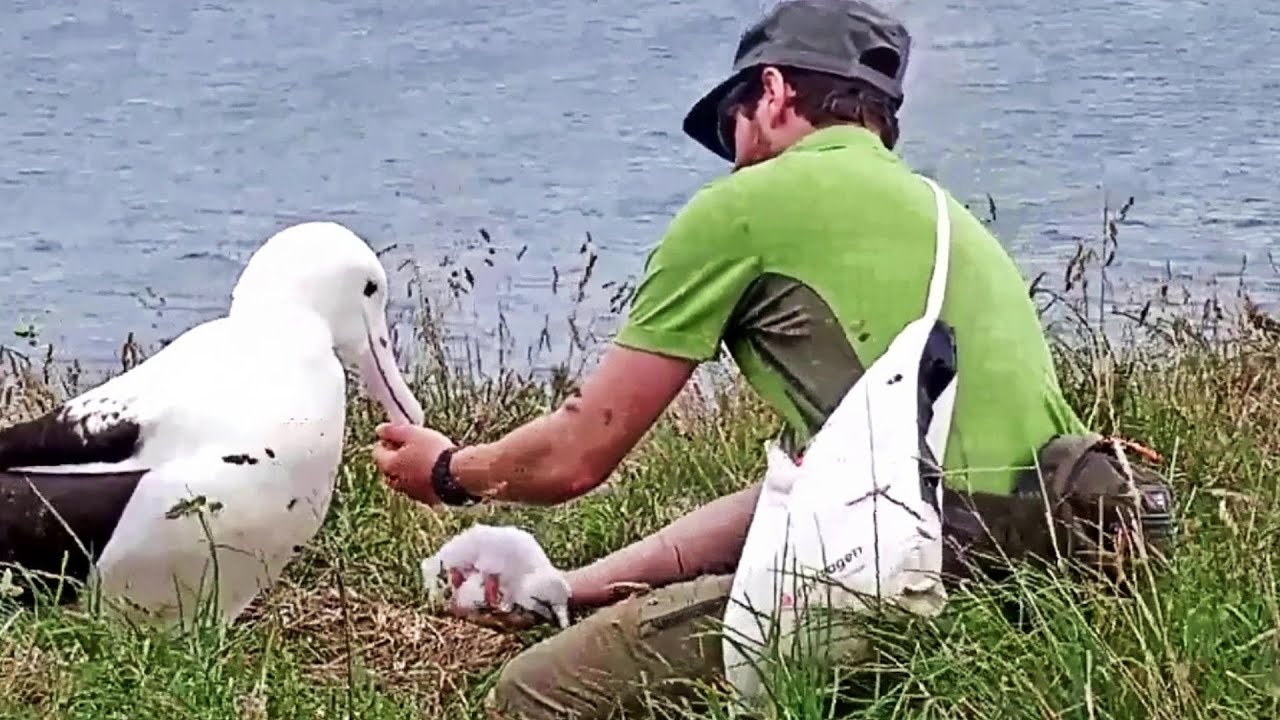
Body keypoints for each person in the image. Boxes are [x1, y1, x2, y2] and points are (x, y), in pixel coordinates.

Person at [371, 2, 1175, 718]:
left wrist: (449, 472)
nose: (733, 156)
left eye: (733, 125)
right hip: (1064, 572)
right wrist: (570, 588)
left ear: (777, 91)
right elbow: (811, 498)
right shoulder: (947, 217)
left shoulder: (745, 209)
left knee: (536, 693)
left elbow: (579, 454)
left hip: (927, 571)